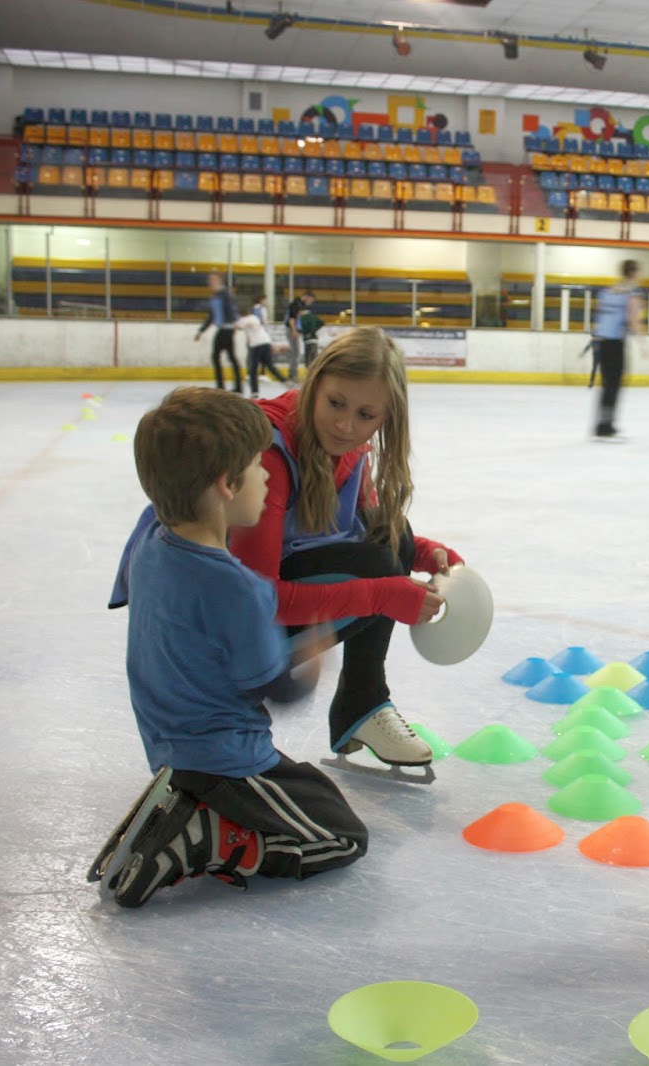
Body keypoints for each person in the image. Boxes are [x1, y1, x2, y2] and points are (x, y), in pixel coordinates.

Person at [99, 386, 367, 908]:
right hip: (226, 758)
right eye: (258, 465)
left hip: (166, 741)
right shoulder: (236, 588)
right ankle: (211, 836)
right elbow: (279, 690)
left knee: (313, 788)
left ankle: (191, 809)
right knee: (342, 835)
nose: (269, 476)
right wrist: (316, 651)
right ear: (227, 484)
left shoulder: (153, 539)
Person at [229, 326, 461, 773]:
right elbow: (252, 601)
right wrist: (382, 595)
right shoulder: (269, 456)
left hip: (274, 599)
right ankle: (239, 705)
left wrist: (431, 554)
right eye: (336, 403)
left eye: (365, 415)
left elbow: (371, 529)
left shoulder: (352, 450)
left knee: (392, 535)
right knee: (377, 565)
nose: (345, 425)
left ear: (384, 418)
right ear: (315, 383)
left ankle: (361, 704)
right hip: (230, 633)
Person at [591, 259, 643, 438]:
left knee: (607, 384)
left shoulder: (608, 290)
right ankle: (607, 425)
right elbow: (632, 319)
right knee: (615, 384)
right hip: (616, 342)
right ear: (634, 273)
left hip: (602, 341)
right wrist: (643, 342)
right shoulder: (632, 292)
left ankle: (601, 424)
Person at [195, 272, 241, 393]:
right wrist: (201, 330)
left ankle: (223, 386)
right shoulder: (216, 296)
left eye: (213, 279)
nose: (210, 282)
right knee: (229, 357)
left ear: (219, 280)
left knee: (218, 356)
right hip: (224, 329)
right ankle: (234, 386)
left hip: (227, 329)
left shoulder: (225, 294)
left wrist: (235, 323)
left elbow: (232, 309)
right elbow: (211, 316)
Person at [236, 302, 285, 396]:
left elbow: (238, 326)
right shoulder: (254, 318)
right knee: (269, 365)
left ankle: (255, 391)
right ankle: (284, 380)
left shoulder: (248, 319)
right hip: (265, 343)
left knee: (253, 369)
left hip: (256, 345)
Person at [284, 289, 314, 383]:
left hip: (295, 330)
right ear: (307, 297)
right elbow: (291, 318)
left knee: (296, 353)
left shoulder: (301, 305)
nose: (310, 303)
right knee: (295, 353)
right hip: (292, 330)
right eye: (310, 300)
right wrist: (294, 331)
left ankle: (293, 374)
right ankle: (292, 375)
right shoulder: (296, 304)